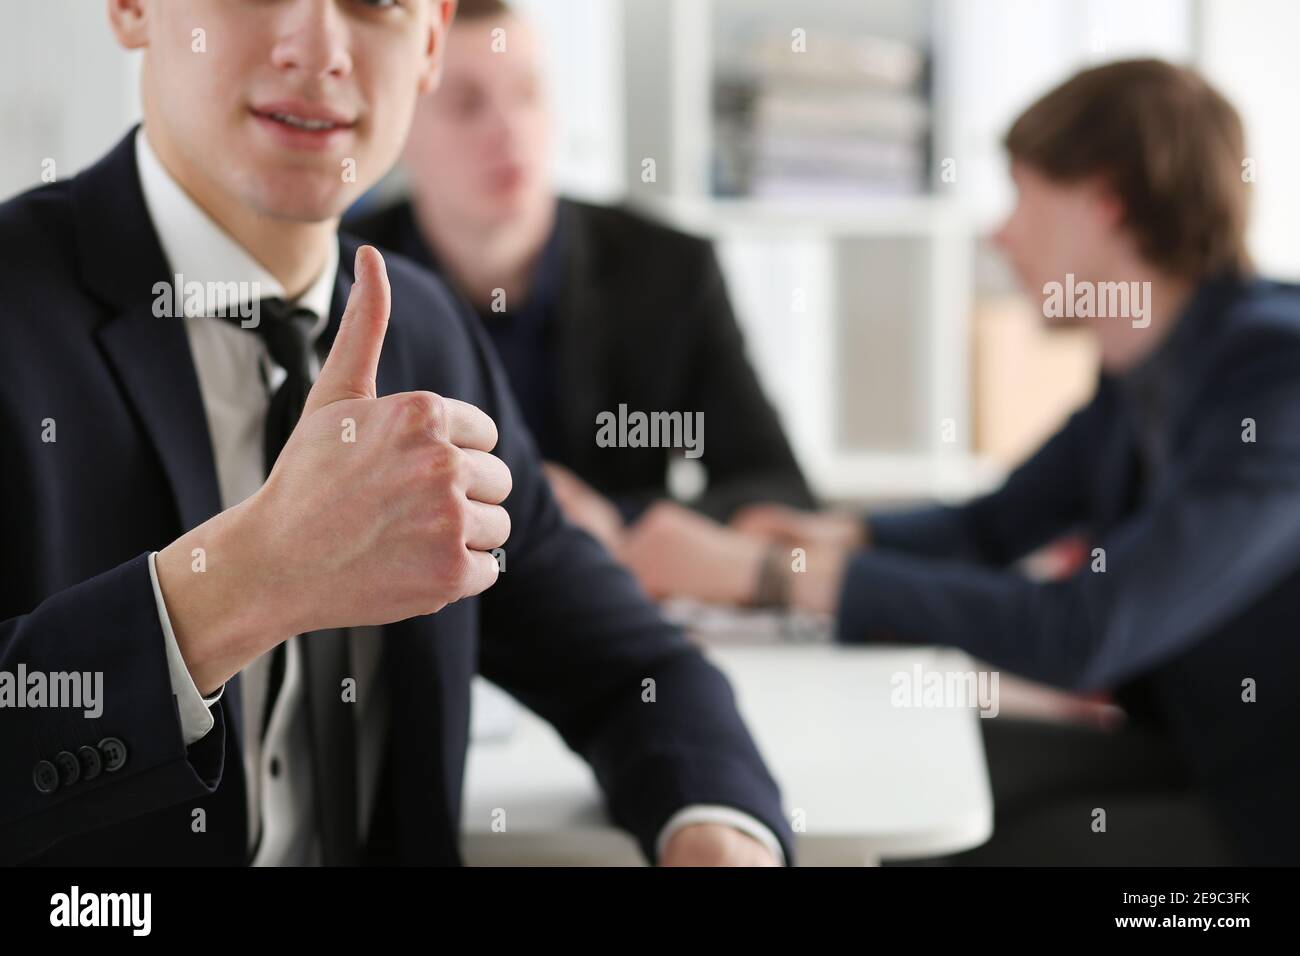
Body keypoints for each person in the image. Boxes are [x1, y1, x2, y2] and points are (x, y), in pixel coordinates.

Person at [0, 0, 790, 867]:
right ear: (132, 9)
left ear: (429, 39)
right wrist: (241, 583)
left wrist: (718, 835)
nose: (319, 50)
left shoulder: (425, 331)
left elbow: (627, 668)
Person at [621, 59, 1300, 865]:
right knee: (877, 774)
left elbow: (1082, 629)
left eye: (1023, 195)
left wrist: (781, 573)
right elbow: (990, 526)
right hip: (1179, 752)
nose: (999, 234)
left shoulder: (1276, 377)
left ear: (1105, 201)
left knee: (974, 850)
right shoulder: (1146, 367)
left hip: (1259, 817)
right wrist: (835, 535)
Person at [349, 0, 814, 559]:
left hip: (604, 593)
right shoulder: (350, 277)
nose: (508, 130)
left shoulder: (667, 269)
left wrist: (616, 520)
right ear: (400, 130)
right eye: (466, 104)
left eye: (527, 95)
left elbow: (781, 491)